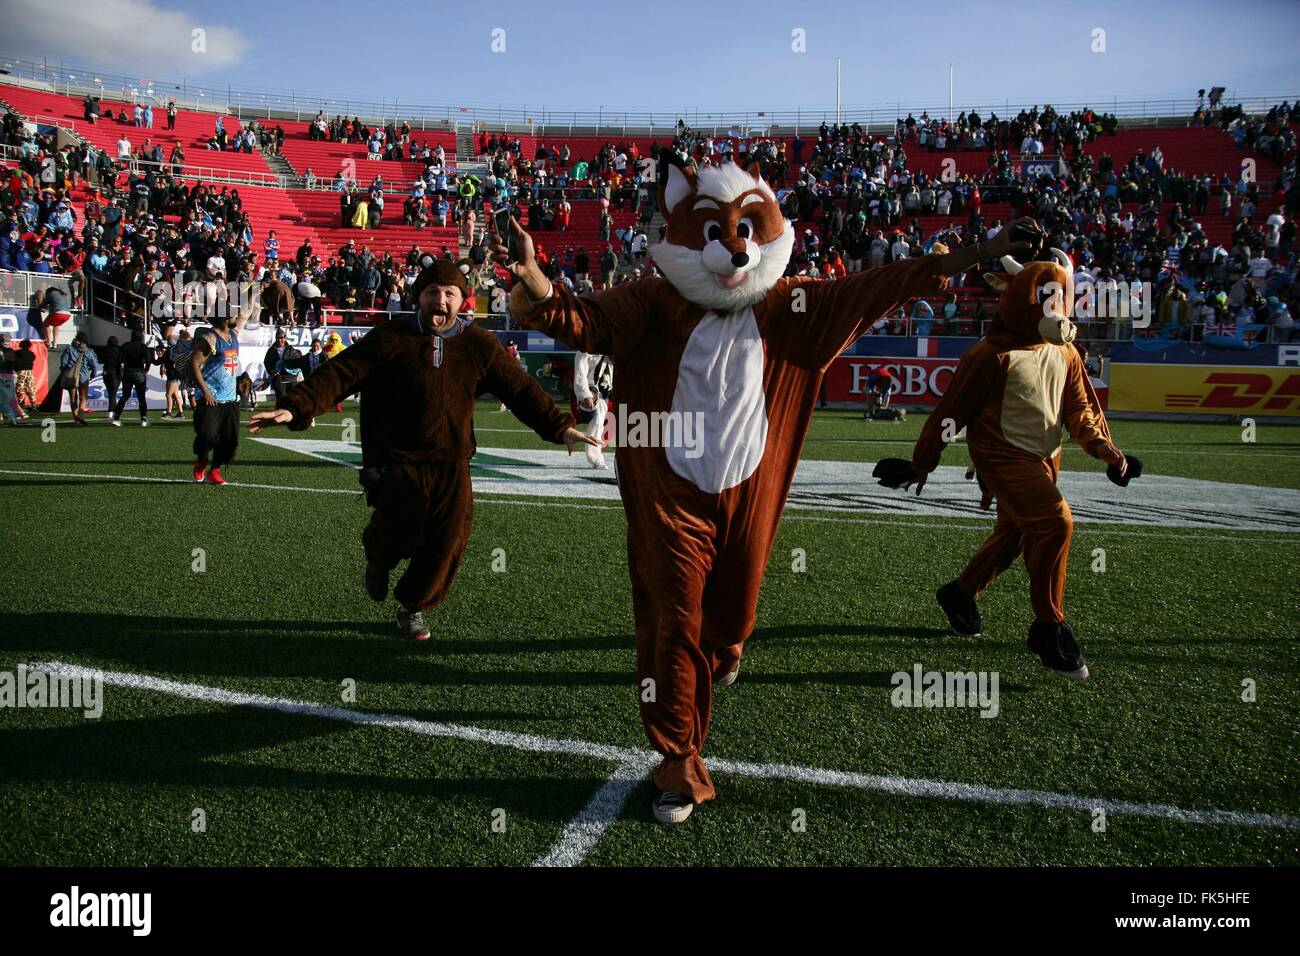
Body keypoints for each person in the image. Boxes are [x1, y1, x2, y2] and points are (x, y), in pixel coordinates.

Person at [247, 260, 597, 641]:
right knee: (397, 533)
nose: (440, 300)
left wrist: (558, 426)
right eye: (433, 292)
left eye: (450, 294)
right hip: (396, 461)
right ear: (420, 297)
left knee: (448, 543)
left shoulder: (479, 343)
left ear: (463, 300)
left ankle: (411, 607)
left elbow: (520, 388)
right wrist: (296, 406)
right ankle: (379, 558)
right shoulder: (389, 337)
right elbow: (340, 372)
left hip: (452, 462)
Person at [190, 312, 242, 484]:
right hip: (211, 398)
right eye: (233, 315)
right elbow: (195, 363)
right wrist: (205, 391)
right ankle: (202, 459)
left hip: (230, 399)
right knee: (207, 434)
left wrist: (256, 290)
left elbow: (248, 311)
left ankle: (215, 470)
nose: (237, 318)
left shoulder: (233, 334)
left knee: (230, 440)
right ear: (225, 318)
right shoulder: (211, 338)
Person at [572, 350, 613, 469]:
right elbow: (580, 373)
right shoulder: (585, 352)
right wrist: (585, 394)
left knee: (601, 426)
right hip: (592, 393)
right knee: (597, 421)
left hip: (606, 394)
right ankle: (595, 457)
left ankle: (598, 454)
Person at [110, 327, 154, 426]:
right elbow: (148, 361)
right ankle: (143, 419)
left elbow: (119, 360)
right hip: (139, 372)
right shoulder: (143, 347)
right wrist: (145, 370)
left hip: (127, 372)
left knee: (125, 395)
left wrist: (121, 371)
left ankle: (116, 418)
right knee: (141, 397)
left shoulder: (125, 346)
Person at [60, 332, 100, 425]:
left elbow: (63, 364)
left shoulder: (69, 349)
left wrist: (67, 368)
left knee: (73, 399)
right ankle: (80, 416)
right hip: (84, 376)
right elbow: (94, 365)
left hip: (71, 376)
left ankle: (75, 419)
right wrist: (93, 374)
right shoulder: (89, 351)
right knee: (83, 398)